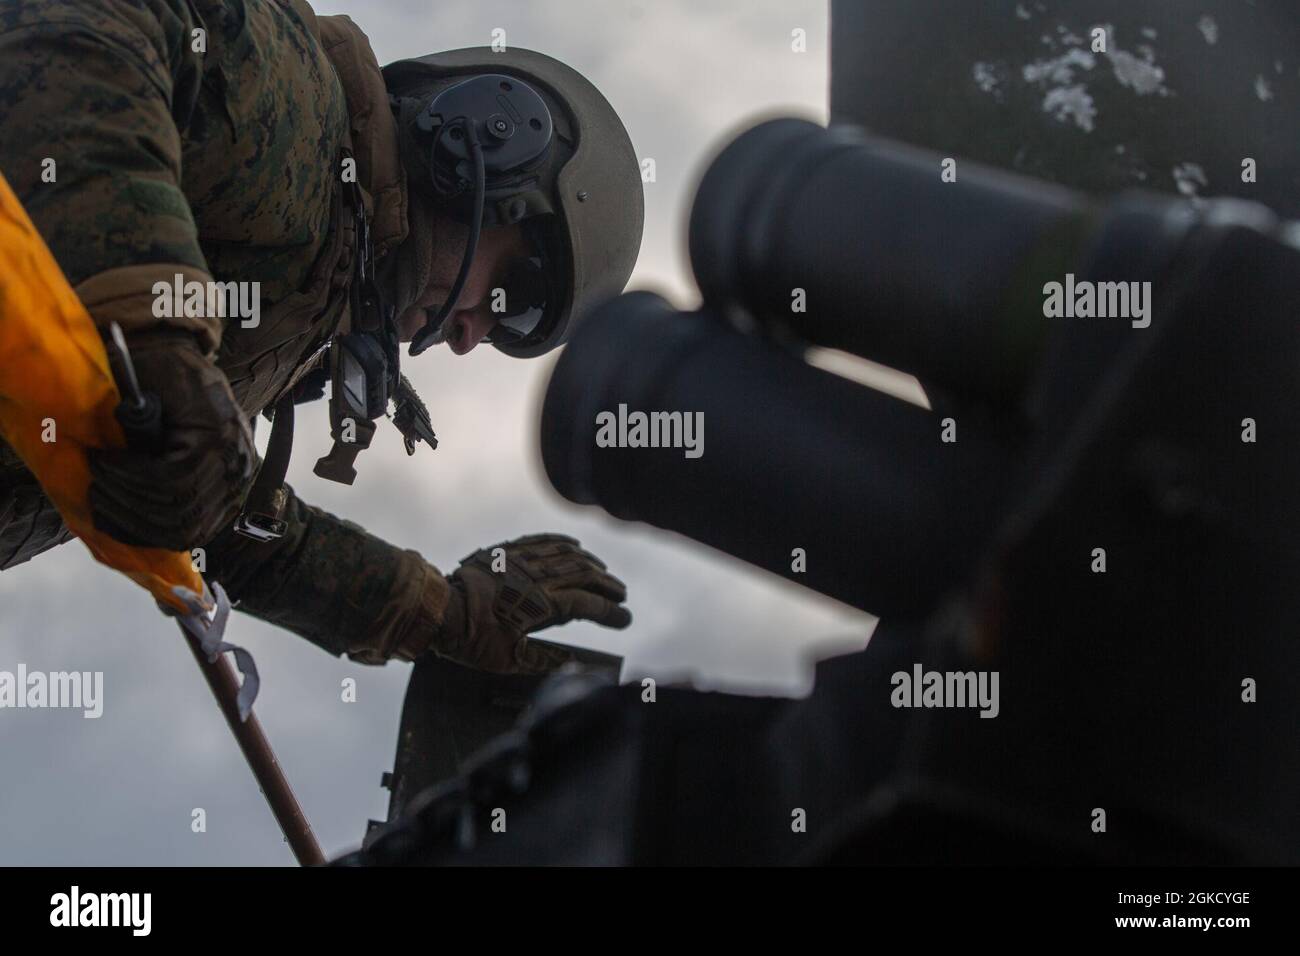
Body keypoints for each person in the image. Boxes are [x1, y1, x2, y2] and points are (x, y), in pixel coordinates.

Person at [0, 0, 644, 673]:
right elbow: (87, 23)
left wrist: (443, 614)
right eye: (519, 292)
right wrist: (149, 316)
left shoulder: (310, 296)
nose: (469, 336)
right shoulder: (302, 110)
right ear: (488, 140)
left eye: (512, 329)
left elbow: (211, 515)